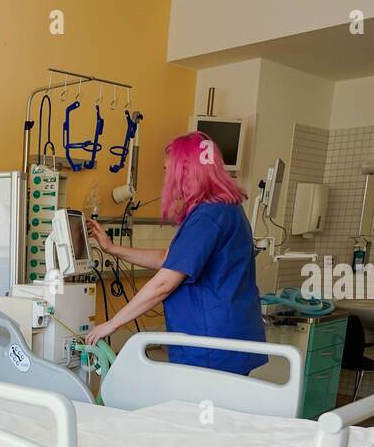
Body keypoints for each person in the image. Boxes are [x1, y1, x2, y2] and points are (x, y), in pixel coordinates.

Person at [84, 131, 267, 375]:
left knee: (202, 400)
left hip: (211, 344)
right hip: (230, 336)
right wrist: (112, 248)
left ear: (186, 171)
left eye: (167, 170)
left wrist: (112, 324)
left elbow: (165, 283)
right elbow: (168, 259)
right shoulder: (225, 208)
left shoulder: (208, 216)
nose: (167, 178)